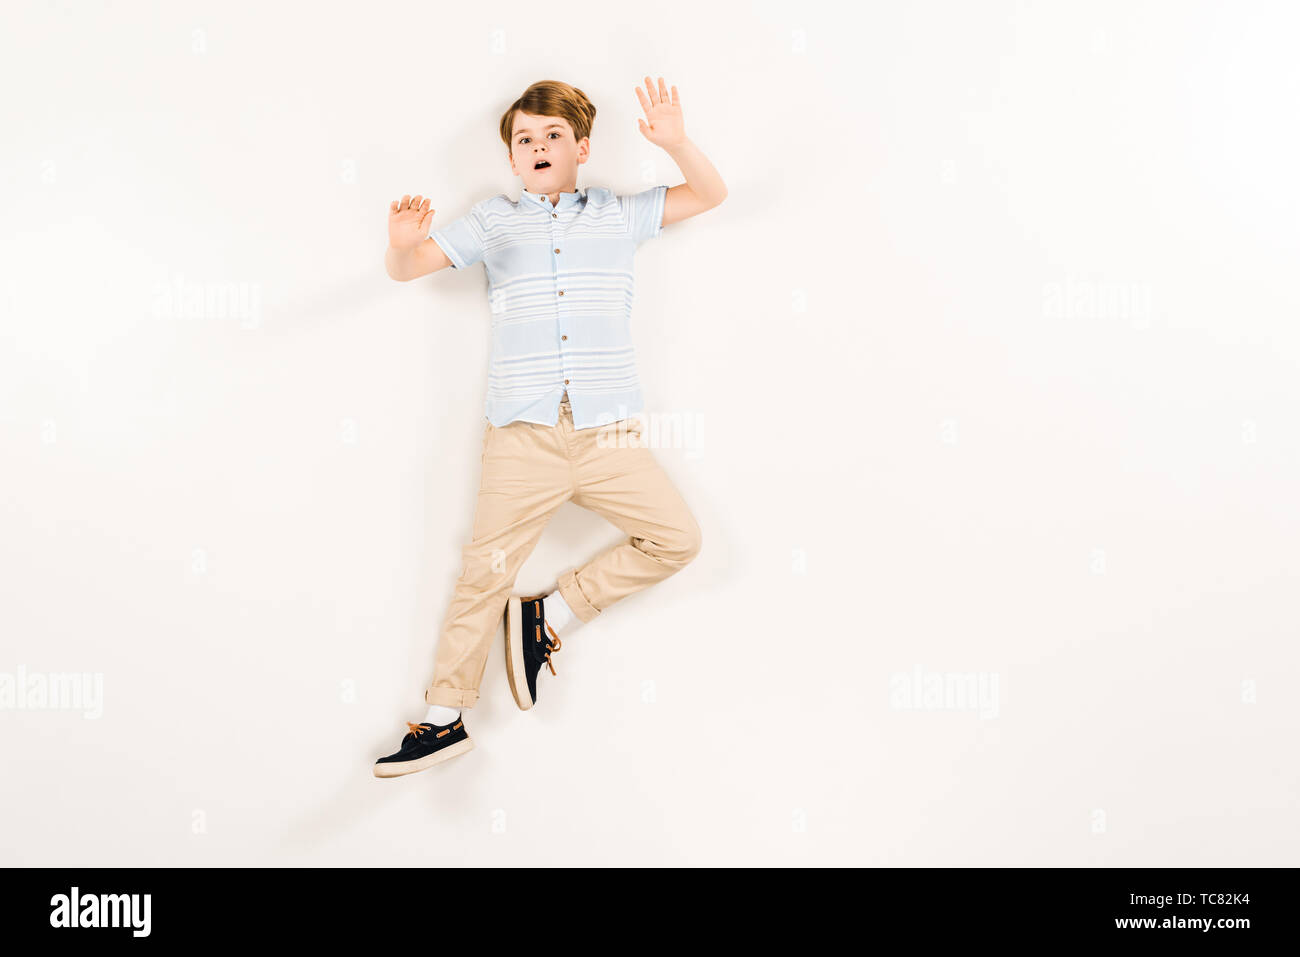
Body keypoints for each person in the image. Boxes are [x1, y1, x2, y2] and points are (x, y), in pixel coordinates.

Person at [373, 76, 727, 778]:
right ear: (511, 158)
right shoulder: (493, 222)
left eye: (552, 136)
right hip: (521, 435)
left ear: (582, 147)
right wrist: (401, 246)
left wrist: (677, 142)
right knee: (483, 572)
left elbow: (709, 195)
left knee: (678, 538)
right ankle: (443, 717)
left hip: (607, 434)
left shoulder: (618, 216)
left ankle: (553, 613)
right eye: (524, 139)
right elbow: (410, 269)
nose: (537, 146)